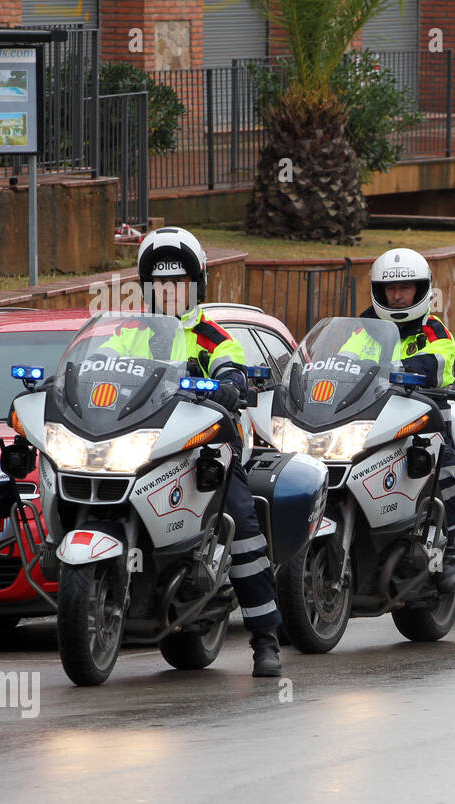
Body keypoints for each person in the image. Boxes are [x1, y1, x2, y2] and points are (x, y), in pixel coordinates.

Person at [134, 227, 283, 678]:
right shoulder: (132, 335)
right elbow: (97, 365)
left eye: (178, 282)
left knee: (241, 521)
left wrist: (233, 381)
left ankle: (265, 640)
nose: (169, 291)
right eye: (160, 283)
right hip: (148, 446)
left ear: (195, 286)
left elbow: (231, 367)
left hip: (210, 448)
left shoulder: (214, 336)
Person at [345, 248, 455, 588]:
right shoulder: (365, 328)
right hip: (374, 422)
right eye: (389, 289)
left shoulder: (434, 330)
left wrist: (403, 370)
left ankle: (451, 550)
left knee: (446, 467)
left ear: (421, 289)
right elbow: (342, 362)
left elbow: (438, 363)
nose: (397, 296)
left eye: (406, 288)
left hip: (426, 422)